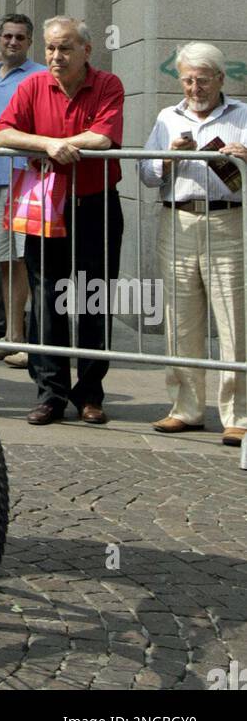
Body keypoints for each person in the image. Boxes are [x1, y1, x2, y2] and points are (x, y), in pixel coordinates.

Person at [0, 17, 124, 427]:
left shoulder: (107, 84)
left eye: (64, 48)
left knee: (91, 299)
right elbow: (3, 133)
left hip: (95, 205)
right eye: (50, 48)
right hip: (46, 207)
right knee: (46, 301)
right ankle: (50, 394)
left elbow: (102, 137)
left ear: (87, 50)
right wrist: (48, 144)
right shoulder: (31, 85)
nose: (55, 56)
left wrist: (60, 144)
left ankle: (89, 393)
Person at [140, 42, 247, 447]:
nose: (194, 87)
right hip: (178, 218)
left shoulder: (242, 115)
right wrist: (168, 158)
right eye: (187, 79)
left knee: (234, 320)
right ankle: (185, 408)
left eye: (202, 80)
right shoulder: (168, 117)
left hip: (228, 219)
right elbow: (147, 175)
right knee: (181, 319)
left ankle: (238, 414)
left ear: (221, 79)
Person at [0, 15, 47, 367]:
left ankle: (24, 341)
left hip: (27, 179)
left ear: (29, 41)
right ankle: (11, 336)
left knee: (23, 261)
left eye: (20, 37)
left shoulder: (40, 76)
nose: (12, 42)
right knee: (3, 261)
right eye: (7, 35)